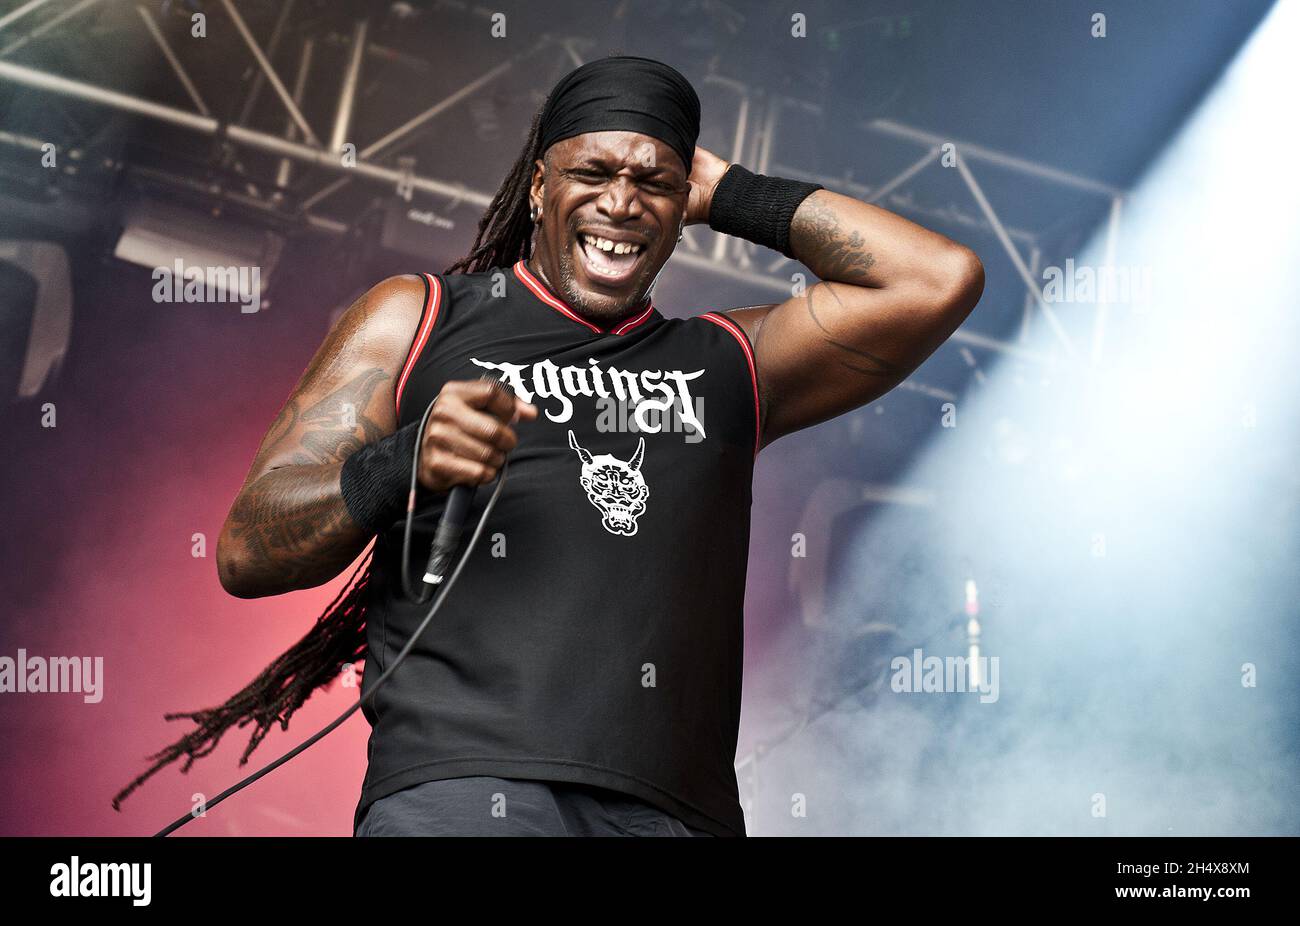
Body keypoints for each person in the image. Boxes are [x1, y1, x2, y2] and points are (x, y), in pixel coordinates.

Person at [116, 55, 983, 836]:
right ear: (538, 187)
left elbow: (936, 278)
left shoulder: (731, 359)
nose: (621, 201)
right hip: (464, 791)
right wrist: (401, 462)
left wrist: (734, 194)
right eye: (594, 172)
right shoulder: (420, 316)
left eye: (654, 182)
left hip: (677, 814)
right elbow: (246, 547)